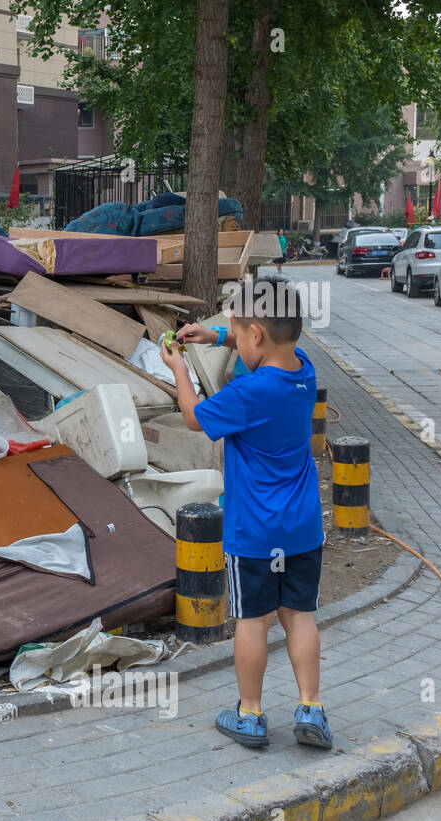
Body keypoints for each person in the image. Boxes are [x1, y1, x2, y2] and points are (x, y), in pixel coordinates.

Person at [162, 278, 332, 750]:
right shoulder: (303, 370)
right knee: (299, 615)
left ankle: (251, 715)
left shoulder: (247, 393)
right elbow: (264, 340)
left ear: (254, 334)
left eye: (236, 330)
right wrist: (215, 336)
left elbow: (195, 417)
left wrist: (179, 369)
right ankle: (311, 707)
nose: (232, 338)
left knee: (253, 622)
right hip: (302, 527)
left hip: (254, 531)